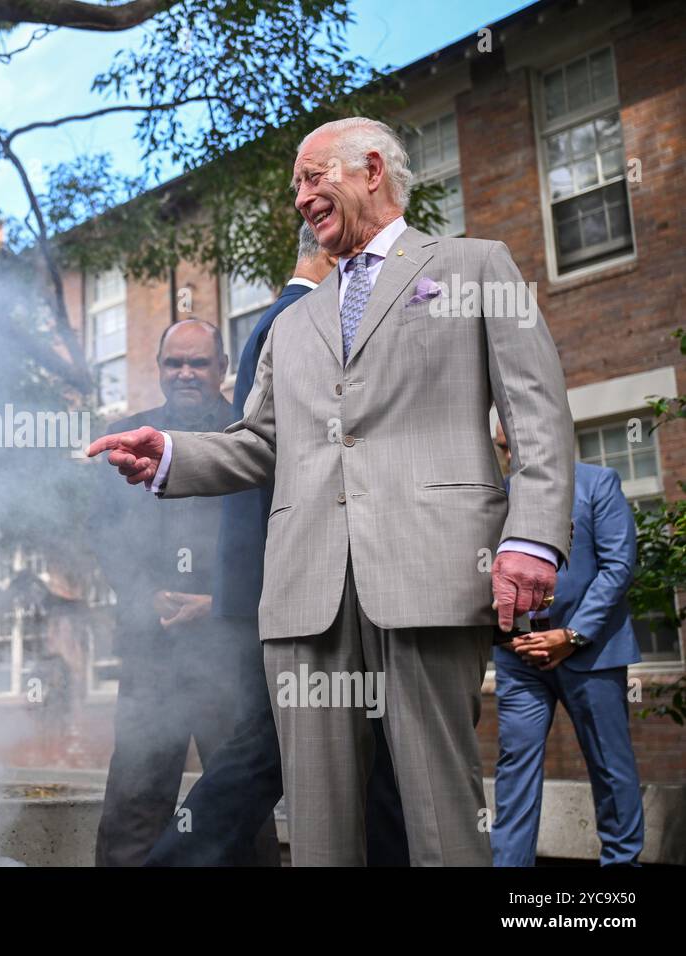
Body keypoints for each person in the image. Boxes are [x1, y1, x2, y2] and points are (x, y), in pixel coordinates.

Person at [89, 117, 574, 865]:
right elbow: (261, 444)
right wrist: (171, 456)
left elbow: (537, 414)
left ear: (372, 168)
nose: (301, 198)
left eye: (313, 178)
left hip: (429, 575)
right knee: (317, 829)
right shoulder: (293, 324)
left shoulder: (476, 266)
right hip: (305, 595)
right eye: (296, 187)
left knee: (440, 818)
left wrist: (532, 537)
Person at [148, 223, 410, 866]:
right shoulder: (299, 321)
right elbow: (276, 470)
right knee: (263, 755)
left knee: (364, 760)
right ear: (332, 252)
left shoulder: (280, 320)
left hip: (298, 594)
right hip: (298, 597)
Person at [92, 320, 277, 866]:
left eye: (198, 363)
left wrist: (221, 603)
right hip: (152, 651)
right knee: (134, 797)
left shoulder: (253, 438)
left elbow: (278, 532)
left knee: (238, 800)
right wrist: (143, 593)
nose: (186, 373)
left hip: (231, 653)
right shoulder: (128, 437)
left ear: (222, 368)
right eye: (175, 363)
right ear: (160, 370)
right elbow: (101, 535)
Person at [490, 424, 644, 866]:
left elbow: (618, 565)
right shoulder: (497, 498)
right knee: (514, 771)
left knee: (611, 770)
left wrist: (572, 635)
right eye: (503, 446)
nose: (508, 452)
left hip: (591, 653)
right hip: (520, 658)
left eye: (512, 442)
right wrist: (508, 635)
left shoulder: (597, 483)